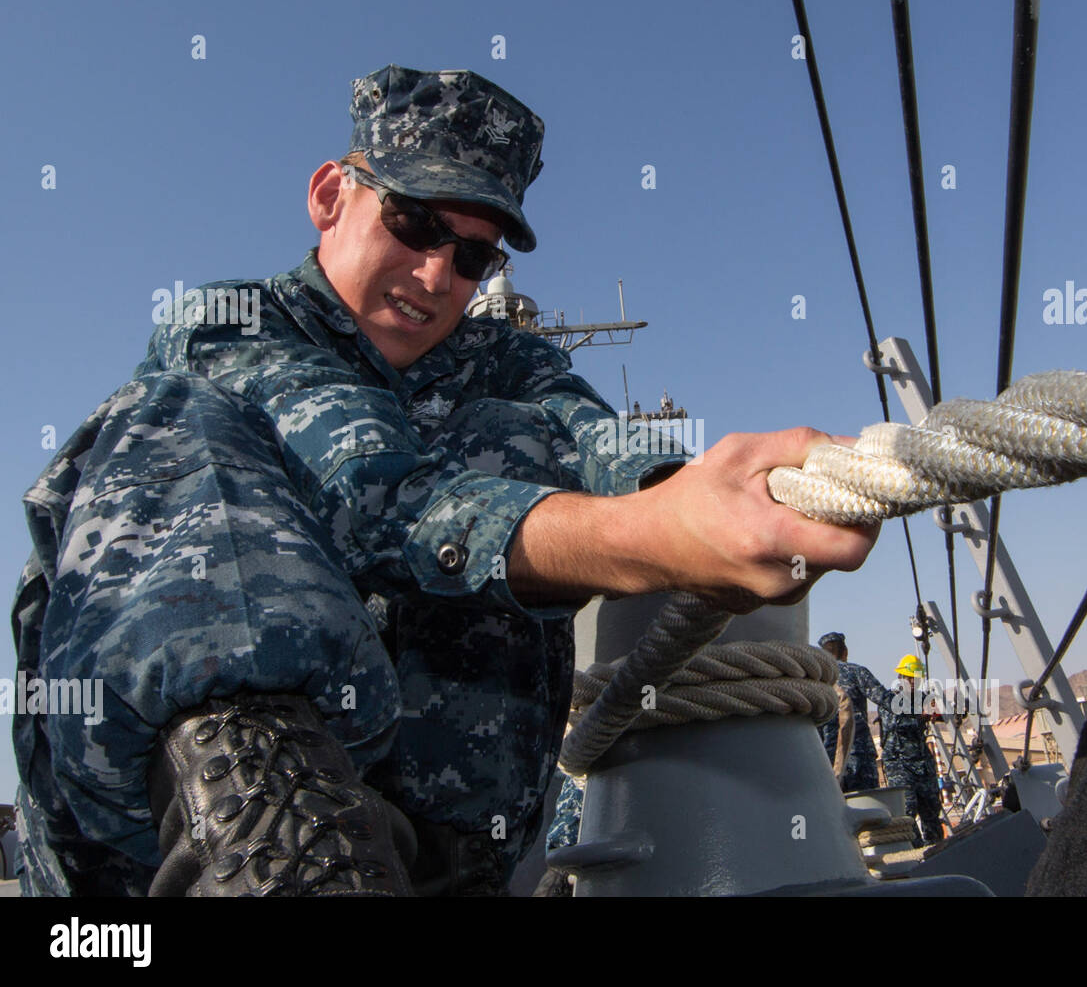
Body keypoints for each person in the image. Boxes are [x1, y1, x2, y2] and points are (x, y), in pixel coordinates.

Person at [11, 65, 877, 897]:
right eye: (415, 224)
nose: (437, 276)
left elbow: (597, 440)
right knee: (165, 426)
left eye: (473, 258)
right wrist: (649, 536)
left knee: (518, 433)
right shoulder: (233, 327)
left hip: (441, 851)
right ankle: (277, 843)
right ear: (329, 197)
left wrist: (700, 494)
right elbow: (372, 494)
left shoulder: (504, 365)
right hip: (183, 859)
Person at [848, 653, 944, 846]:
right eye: (909, 677)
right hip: (900, 764)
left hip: (922, 761)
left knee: (932, 808)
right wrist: (921, 716)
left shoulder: (924, 698)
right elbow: (897, 724)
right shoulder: (890, 700)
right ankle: (916, 851)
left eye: (916, 678)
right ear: (901, 678)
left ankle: (937, 848)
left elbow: (936, 714)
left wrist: (941, 714)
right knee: (906, 812)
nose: (913, 681)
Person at [816, 632, 881, 793]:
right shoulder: (856, 672)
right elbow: (886, 700)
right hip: (859, 754)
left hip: (827, 760)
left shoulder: (815, 681)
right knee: (867, 808)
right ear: (845, 652)